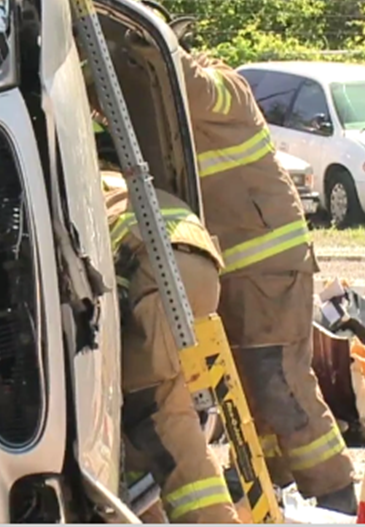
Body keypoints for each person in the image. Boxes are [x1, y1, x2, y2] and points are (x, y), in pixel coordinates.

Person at [177, 51, 358, 515]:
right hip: (231, 269)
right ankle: (269, 487)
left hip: (268, 266)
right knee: (244, 387)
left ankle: (334, 491)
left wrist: (143, 46)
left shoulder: (223, 87)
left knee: (276, 380)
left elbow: (189, 82)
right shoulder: (167, 109)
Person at [96, 124, 241, 524]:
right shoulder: (125, 188)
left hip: (159, 273)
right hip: (201, 268)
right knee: (153, 400)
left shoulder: (85, 192)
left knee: (155, 409)